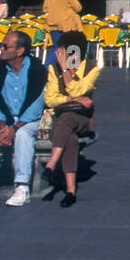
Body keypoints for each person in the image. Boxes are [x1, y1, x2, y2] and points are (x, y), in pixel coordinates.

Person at [0, 31, 46, 207]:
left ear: (20, 51)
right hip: (5, 120)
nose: (1, 49)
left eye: (5, 46)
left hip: (30, 121)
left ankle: (22, 186)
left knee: (23, 136)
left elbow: (36, 106)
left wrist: (15, 128)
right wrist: (3, 126)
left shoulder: (37, 71)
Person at [41, 30, 101, 208]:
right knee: (71, 139)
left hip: (83, 119)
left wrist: (66, 70)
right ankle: (70, 190)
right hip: (60, 120)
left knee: (68, 118)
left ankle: (52, 163)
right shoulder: (53, 69)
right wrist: (71, 100)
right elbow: (50, 99)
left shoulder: (91, 69)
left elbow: (78, 89)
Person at [42, 0, 83, 66]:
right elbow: (77, 7)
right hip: (67, 24)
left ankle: (48, 68)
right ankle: (72, 69)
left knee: (56, 47)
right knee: (72, 47)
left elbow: (44, 8)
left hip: (53, 25)